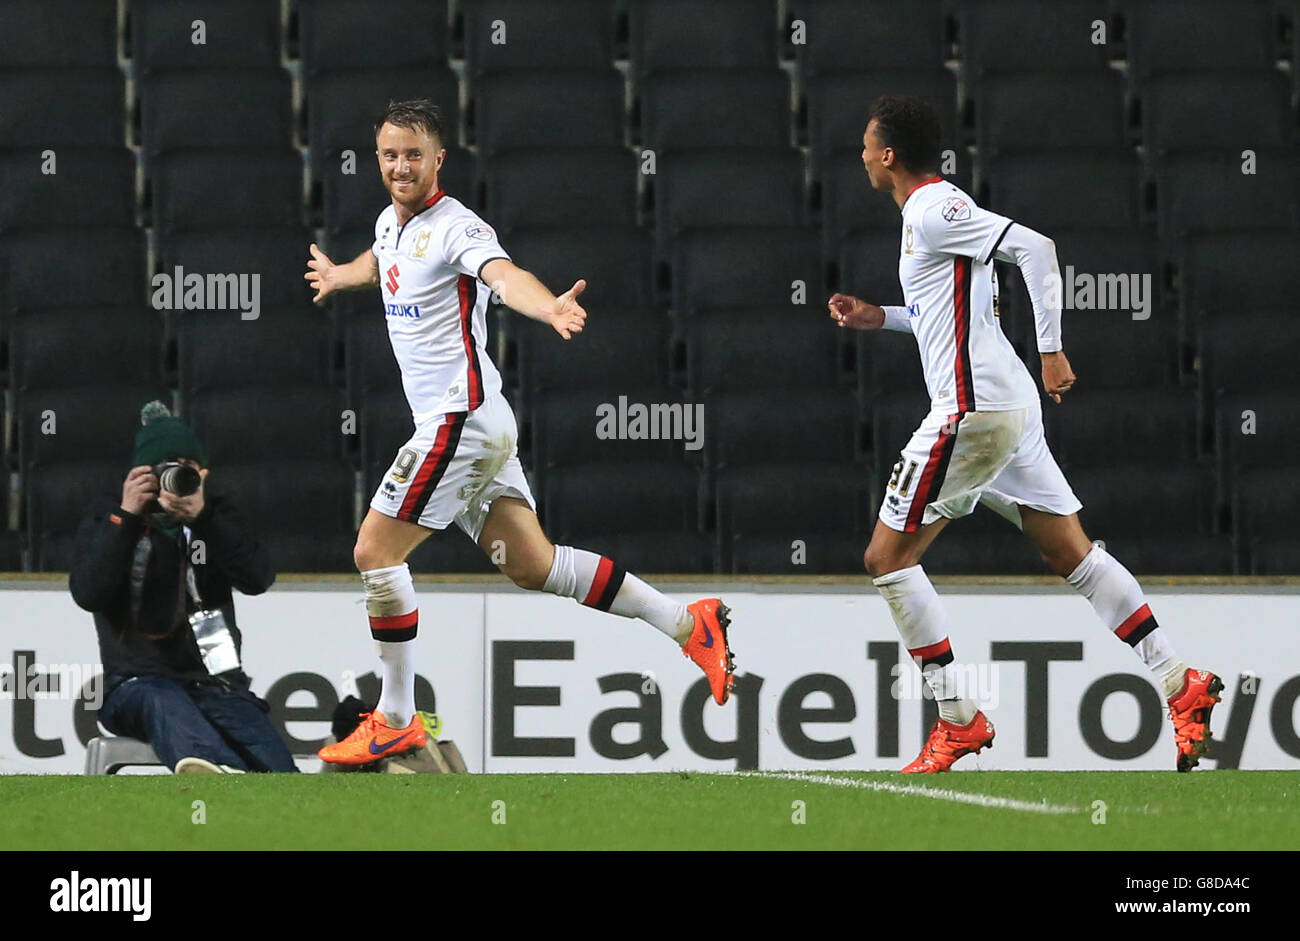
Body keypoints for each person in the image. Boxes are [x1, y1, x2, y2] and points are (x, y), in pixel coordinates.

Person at [304, 99, 734, 766]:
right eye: (389, 154)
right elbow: (381, 259)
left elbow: (503, 277)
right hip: (480, 426)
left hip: (461, 420)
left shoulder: (457, 227)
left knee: (373, 552)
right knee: (535, 565)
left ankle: (393, 715)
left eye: (413, 154)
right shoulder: (390, 224)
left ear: (437, 158)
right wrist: (340, 274)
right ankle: (686, 623)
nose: (400, 166)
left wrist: (547, 305)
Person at [828, 95, 1221, 773]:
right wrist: (879, 317)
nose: (861, 154)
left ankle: (957, 718)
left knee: (886, 558)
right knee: (1071, 550)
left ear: (888, 155)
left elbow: (1036, 249)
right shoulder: (931, 214)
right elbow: (945, 312)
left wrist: (1052, 349)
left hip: (973, 410)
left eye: (867, 145)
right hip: (1005, 409)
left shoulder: (932, 209)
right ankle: (1179, 681)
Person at [69, 401, 296, 774]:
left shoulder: (216, 517)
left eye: (186, 470)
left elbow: (258, 579)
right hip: (135, 685)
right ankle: (219, 777)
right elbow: (88, 593)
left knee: (281, 772)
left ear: (203, 474)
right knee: (165, 700)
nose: (175, 480)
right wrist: (125, 517)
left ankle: (233, 787)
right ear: (141, 474)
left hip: (217, 686)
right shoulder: (109, 514)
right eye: (164, 470)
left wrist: (204, 518)